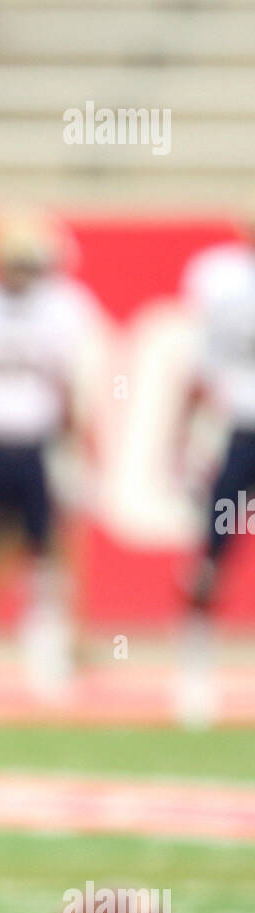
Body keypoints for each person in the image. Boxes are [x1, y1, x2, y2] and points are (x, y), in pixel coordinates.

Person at [0, 213, 102, 699]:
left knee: (46, 554)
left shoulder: (65, 306)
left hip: (39, 443)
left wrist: (73, 443)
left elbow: (73, 383)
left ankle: (47, 656)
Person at [176, 211, 255, 725]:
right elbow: (201, 368)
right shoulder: (222, 280)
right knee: (210, 556)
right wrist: (184, 440)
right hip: (236, 428)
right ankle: (195, 669)